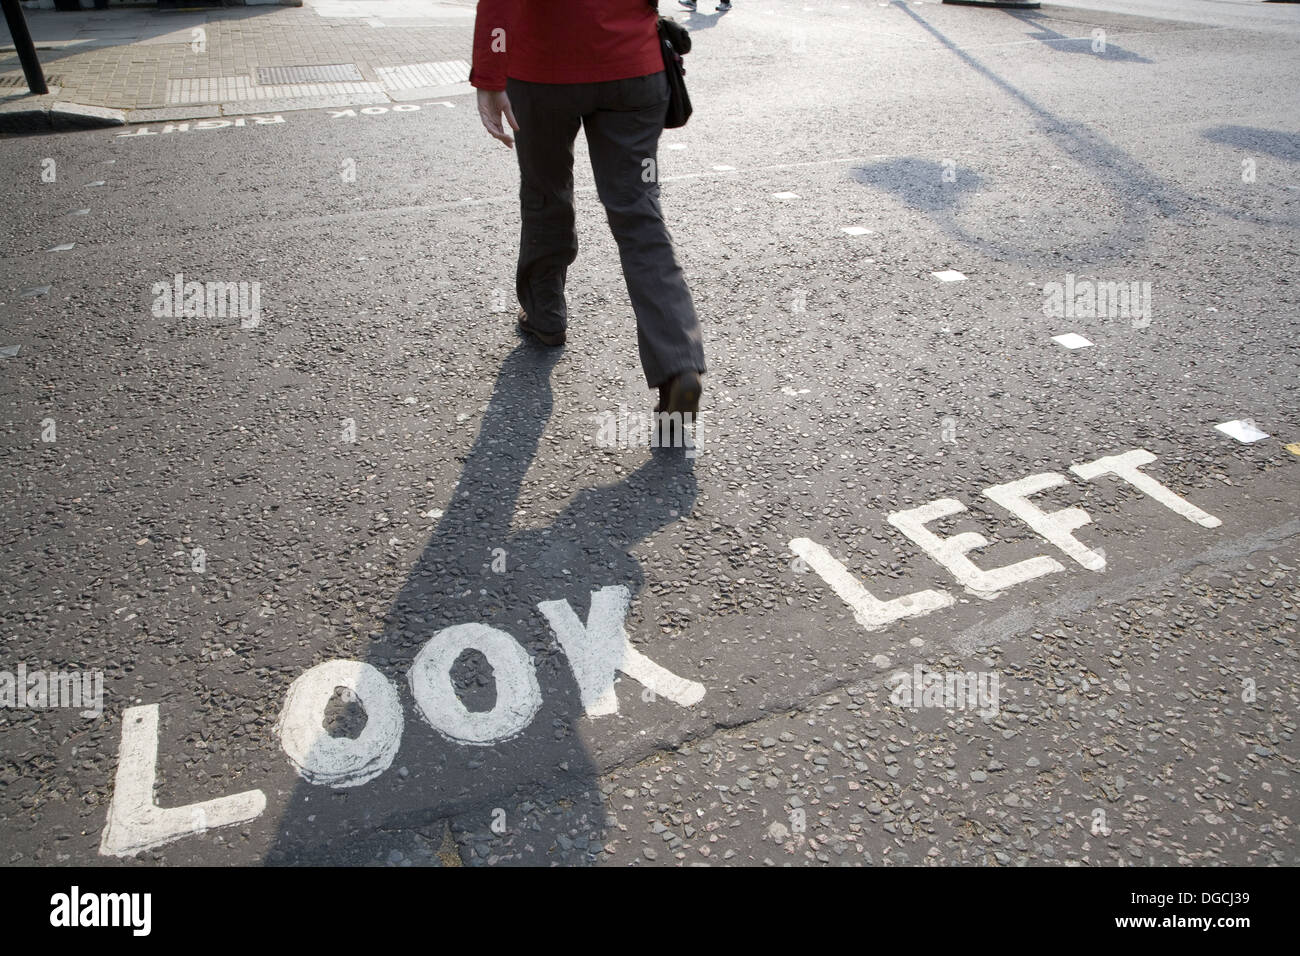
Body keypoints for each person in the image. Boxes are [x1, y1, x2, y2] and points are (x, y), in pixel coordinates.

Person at [471, 0, 707, 423]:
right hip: (633, 66)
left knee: (546, 193)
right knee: (639, 213)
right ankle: (678, 364)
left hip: (542, 72)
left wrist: (489, 74)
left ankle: (545, 315)